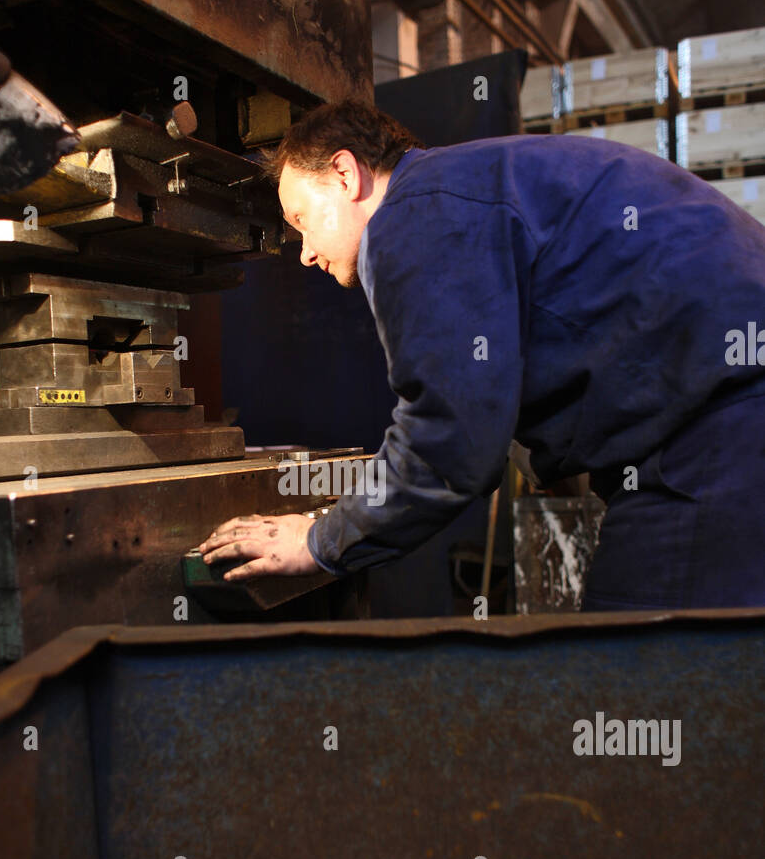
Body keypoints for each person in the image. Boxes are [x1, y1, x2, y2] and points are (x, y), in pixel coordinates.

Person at [198, 98, 765, 609]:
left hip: (720, 432)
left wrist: (321, 540)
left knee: (640, 686)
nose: (304, 254)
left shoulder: (414, 217)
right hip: (722, 412)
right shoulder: (466, 187)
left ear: (345, 174)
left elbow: (450, 439)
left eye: (300, 221)